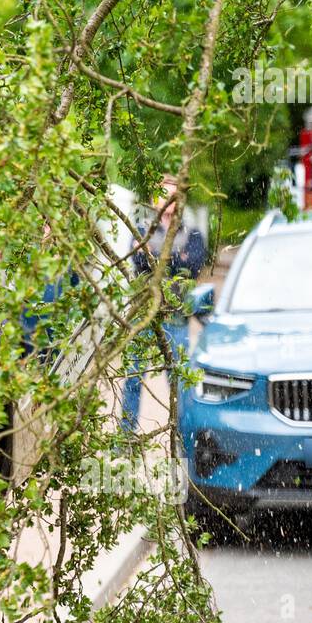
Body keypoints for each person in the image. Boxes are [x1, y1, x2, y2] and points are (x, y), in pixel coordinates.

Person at [121, 176, 208, 431]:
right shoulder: (142, 229)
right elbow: (138, 263)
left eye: (172, 197)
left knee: (180, 383)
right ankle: (125, 438)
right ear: (154, 200)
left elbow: (193, 265)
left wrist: (157, 257)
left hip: (176, 318)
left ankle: (183, 435)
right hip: (144, 315)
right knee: (134, 379)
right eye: (163, 195)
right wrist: (172, 258)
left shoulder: (191, 232)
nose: (168, 203)